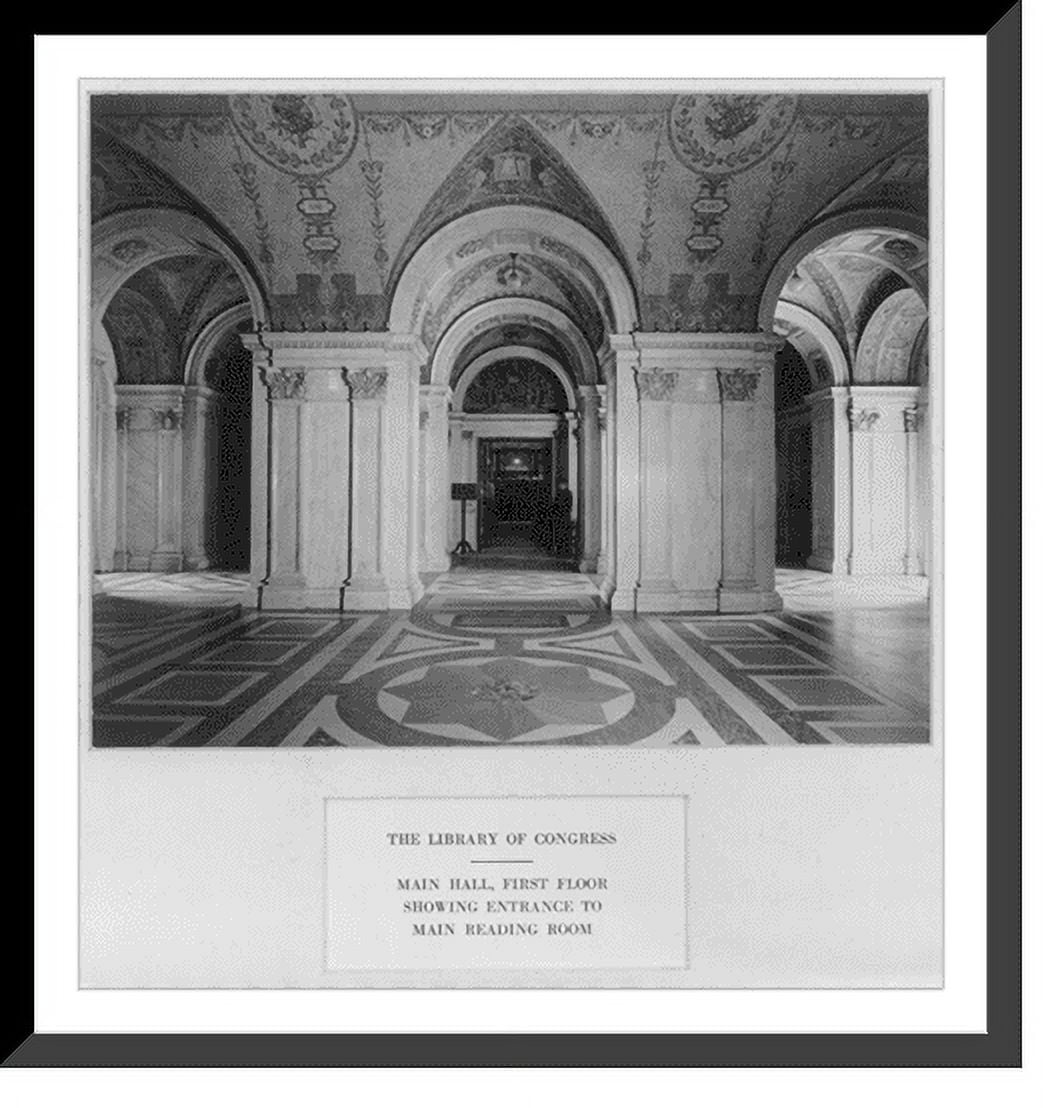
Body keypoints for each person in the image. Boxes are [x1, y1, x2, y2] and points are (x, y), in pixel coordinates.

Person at [547, 480, 573, 554]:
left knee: (560, 533)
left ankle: (560, 548)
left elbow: (557, 504)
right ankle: (564, 548)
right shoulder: (568, 493)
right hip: (565, 516)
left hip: (560, 516)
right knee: (564, 533)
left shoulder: (562, 494)